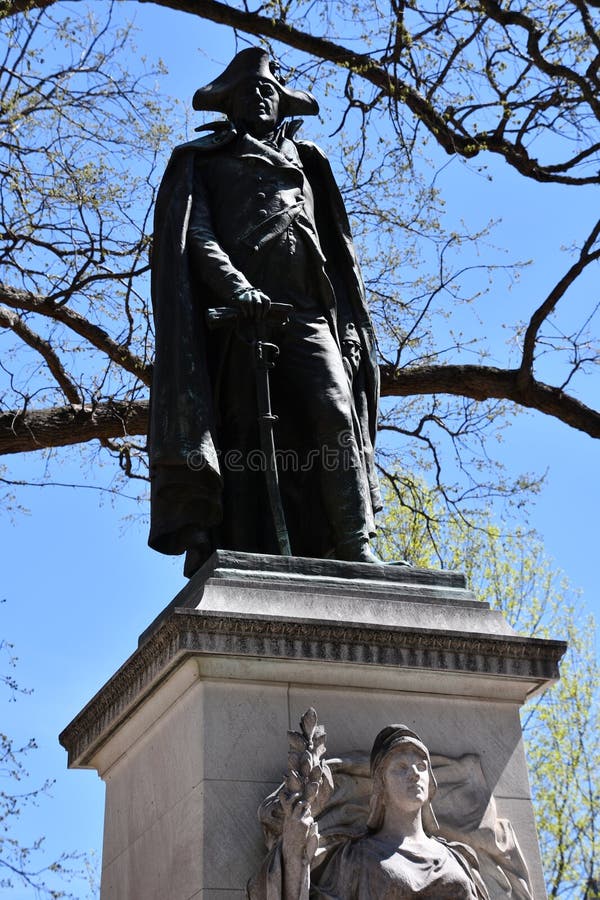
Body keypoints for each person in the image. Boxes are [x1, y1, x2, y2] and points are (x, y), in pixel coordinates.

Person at [147, 48, 382, 576]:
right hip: (242, 321)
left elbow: (337, 254)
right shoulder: (203, 159)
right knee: (244, 434)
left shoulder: (309, 161)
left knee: (336, 411)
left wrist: (345, 322)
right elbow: (195, 235)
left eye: (270, 91)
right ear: (228, 101)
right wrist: (235, 287)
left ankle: (354, 539)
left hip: (308, 314)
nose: (261, 97)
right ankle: (239, 545)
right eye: (249, 90)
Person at [249, 725, 490, 899]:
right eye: (401, 767)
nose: (414, 774)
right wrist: (293, 851)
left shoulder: (459, 857)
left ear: (431, 784)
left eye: (421, 767)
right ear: (380, 786)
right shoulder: (357, 857)